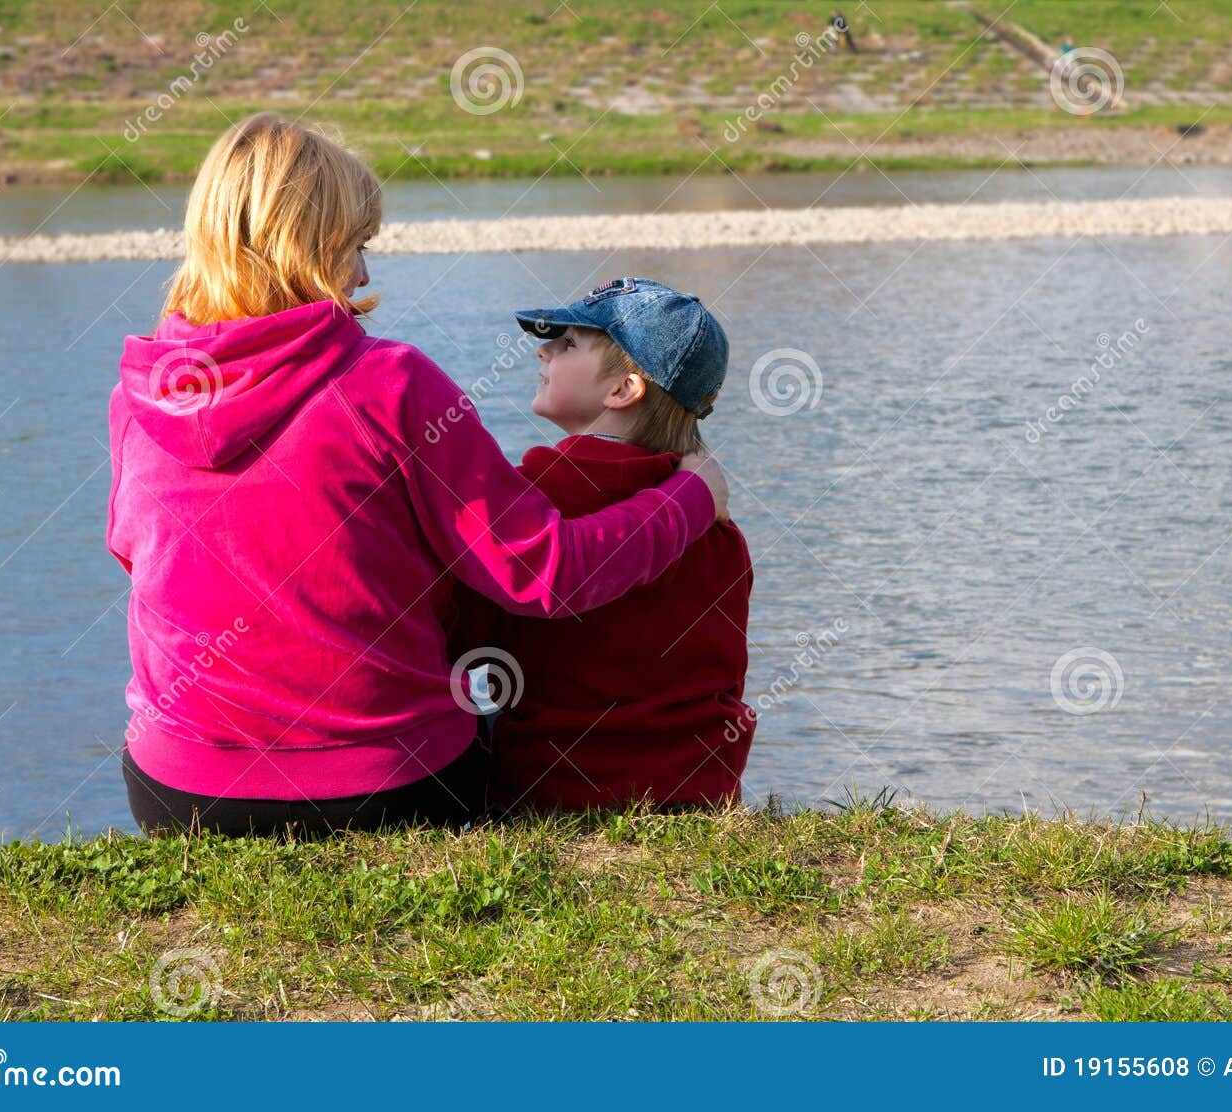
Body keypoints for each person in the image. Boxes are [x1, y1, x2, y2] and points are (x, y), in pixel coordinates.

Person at [108, 117, 729, 838]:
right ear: (305, 248)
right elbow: (544, 572)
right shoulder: (389, 384)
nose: (364, 274)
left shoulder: (139, 394)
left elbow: (138, 557)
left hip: (178, 790)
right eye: (355, 246)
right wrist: (692, 496)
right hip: (381, 787)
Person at [448, 279, 755, 813]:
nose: (543, 349)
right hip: (697, 790)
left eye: (567, 344)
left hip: (551, 788)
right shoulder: (718, 527)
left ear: (622, 390)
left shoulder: (535, 501)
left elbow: (468, 639)